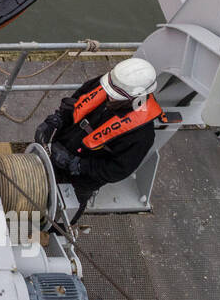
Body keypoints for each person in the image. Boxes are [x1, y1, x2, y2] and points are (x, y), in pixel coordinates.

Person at [34, 56, 163, 222]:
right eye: (110, 89)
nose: (109, 96)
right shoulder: (110, 83)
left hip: (81, 179)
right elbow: (77, 100)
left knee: (64, 211)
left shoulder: (141, 135)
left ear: (137, 97)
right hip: (60, 147)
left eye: (117, 95)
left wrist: (78, 165)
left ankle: (56, 229)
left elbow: (118, 169)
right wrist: (57, 119)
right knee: (36, 186)